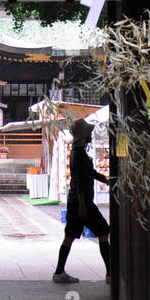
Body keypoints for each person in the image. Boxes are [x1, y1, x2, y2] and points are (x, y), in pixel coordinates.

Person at [53, 119, 111, 285]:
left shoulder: (78, 152)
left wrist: (104, 179)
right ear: (83, 135)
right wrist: (83, 206)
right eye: (89, 132)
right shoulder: (79, 154)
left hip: (77, 202)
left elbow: (89, 173)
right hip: (81, 201)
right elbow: (78, 181)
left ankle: (59, 272)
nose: (91, 134)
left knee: (70, 236)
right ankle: (110, 274)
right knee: (102, 231)